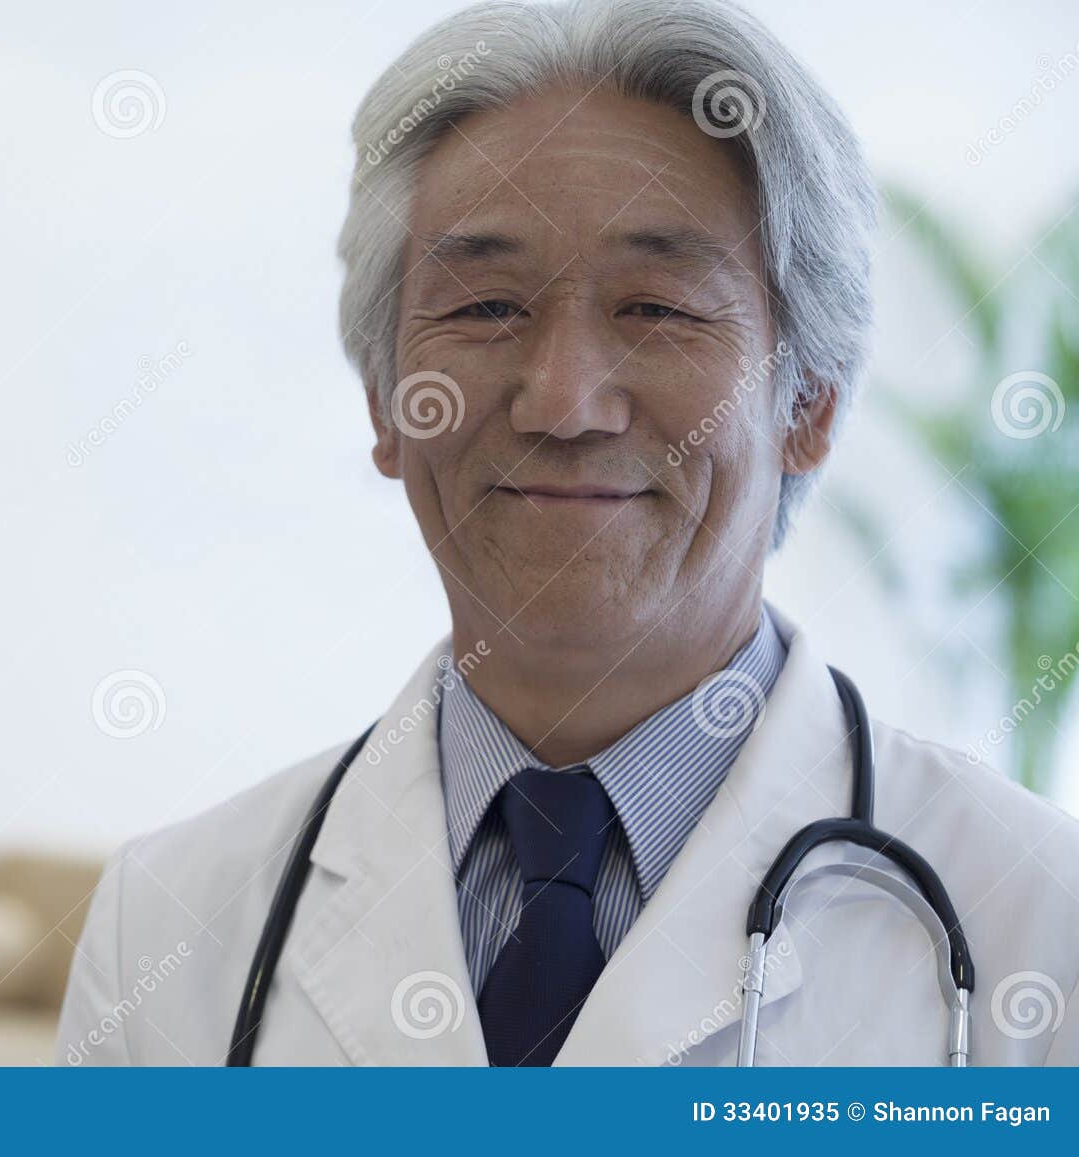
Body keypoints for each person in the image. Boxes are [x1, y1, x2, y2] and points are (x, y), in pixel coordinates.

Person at [56, 0, 1079, 1066]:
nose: (563, 401)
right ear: (383, 399)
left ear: (809, 400)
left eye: (658, 309)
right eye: (487, 307)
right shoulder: (166, 928)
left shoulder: (1040, 924)